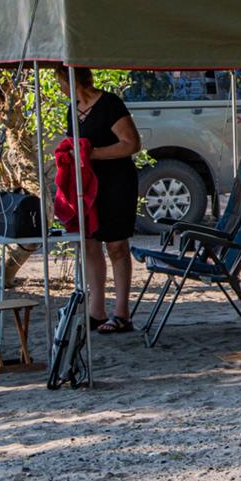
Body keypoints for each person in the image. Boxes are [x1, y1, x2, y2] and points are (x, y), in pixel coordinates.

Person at [55, 67, 142, 333]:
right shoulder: (73, 108)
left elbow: (131, 144)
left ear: (73, 80)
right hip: (87, 185)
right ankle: (97, 310)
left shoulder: (109, 104)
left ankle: (122, 313)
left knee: (116, 245)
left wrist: (91, 155)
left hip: (117, 183)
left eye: (60, 81)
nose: (58, 87)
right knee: (89, 242)